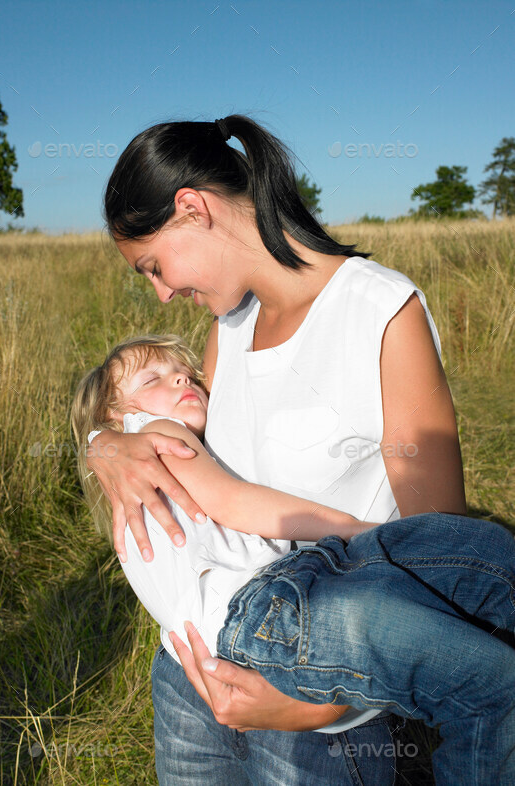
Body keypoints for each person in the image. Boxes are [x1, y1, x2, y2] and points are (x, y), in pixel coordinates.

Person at [88, 114, 468, 784]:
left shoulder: (378, 312)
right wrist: (105, 443)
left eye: (153, 265)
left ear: (193, 209)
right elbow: (177, 447)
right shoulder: (227, 326)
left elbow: (437, 555)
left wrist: (316, 709)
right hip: (190, 680)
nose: (162, 292)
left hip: (320, 710)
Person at [72, 334, 515, 785]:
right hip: (266, 609)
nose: (182, 377)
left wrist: (98, 439)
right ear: (117, 414)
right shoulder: (156, 433)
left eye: (183, 372)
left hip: (203, 646)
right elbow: (233, 501)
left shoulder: (120, 462)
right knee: (482, 599)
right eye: (154, 378)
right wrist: (353, 528)